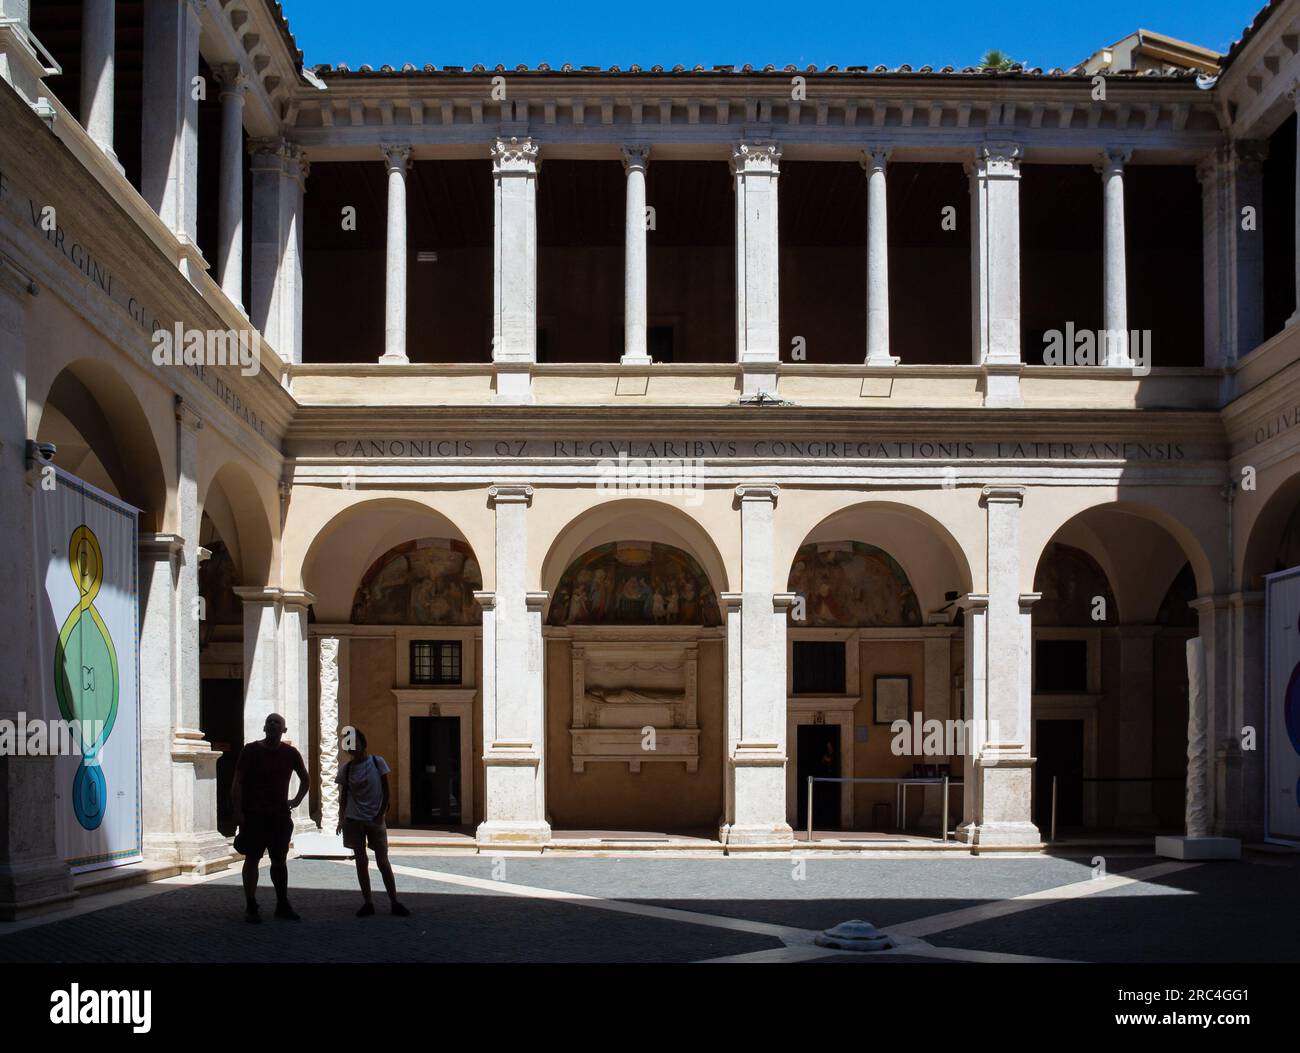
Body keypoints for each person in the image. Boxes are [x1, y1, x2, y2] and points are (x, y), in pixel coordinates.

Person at [232, 713, 309, 923]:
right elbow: (238, 782)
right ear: (264, 727)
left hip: (279, 816)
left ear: (284, 730)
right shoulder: (250, 750)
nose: (272, 725)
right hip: (254, 815)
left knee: (279, 861)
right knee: (252, 858)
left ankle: (282, 903)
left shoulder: (291, 753)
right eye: (269, 722)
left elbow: (305, 777)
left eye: (277, 723)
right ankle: (251, 904)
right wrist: (238, 812)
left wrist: (297, 800)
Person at [336, 729, 410, 917]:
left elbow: (386, 789)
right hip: (354, 820)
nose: (353, 746)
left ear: (363, 742)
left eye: (355, 742)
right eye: (349, 744)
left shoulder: (377, 762)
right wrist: (341, 818)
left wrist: (381, 813)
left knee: (383, 861)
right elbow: (344, 795)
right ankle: (368, 902)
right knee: (361, 861)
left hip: (374, 819)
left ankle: (394, 900)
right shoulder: (347, 769)